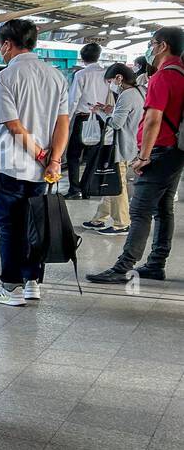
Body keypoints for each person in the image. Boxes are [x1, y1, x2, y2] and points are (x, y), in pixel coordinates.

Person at [87, 27, 184, 283]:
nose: (151, 49)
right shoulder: (181, 74)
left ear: (163, 46)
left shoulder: (164, 77)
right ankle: (155, 263)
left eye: (152, 44)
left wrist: (144, 155)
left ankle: (123, 267)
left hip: (160, 152)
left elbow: (153, 120)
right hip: (174, 152)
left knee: (140, 210)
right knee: (164, 210)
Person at [0, 18, 69, 306]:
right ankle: (32, 282)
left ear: (7, 44)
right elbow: (62, 124)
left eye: (0, 45)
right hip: (42, 172)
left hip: (10, 166)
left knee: (10, 228)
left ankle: (10, 287)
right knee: (36, 225)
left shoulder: (4, 78)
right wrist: (53, 160)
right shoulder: (56, 77)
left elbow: (15, 127)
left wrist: (42, 155)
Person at [83, 63, 144, 238]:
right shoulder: (139, 91)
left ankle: (122, 224)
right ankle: (99, 218)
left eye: (110, 81)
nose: (110, 85)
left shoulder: (126, 95)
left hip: (122, 145)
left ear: (119, 78)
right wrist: (109, 109)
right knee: (111, 181)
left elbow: (116, 123)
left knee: (118, 185)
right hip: (133, 142)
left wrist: (99, 112)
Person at [66, 42, 109, 199]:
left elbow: (73, 100)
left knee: (73, 155)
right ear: (98, 56)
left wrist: (67, 121)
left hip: (82, 118)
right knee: (92, 157)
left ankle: (74, 189)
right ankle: (87, 189)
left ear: (82, 58)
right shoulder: (106, 74)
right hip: (100, 118)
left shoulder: (81, 75)